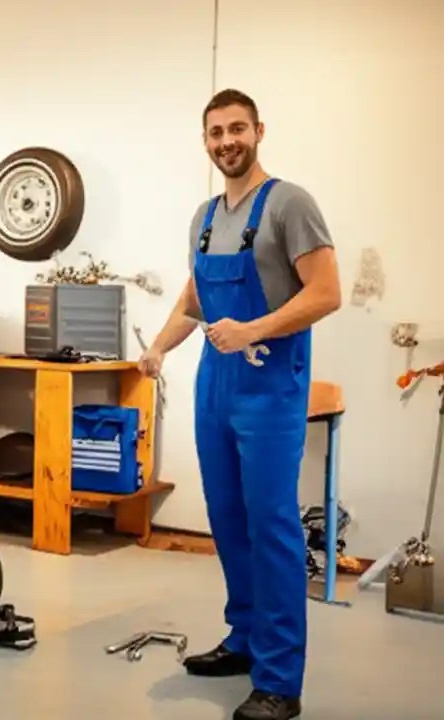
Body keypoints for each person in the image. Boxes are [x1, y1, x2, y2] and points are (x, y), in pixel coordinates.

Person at [139, 89, 342, 720]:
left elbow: (327, 292)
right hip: (215, 383)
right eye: (214, 132)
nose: (226, 141)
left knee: (272, 527)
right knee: (227, 518)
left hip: (270, 382)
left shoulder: (290, 204)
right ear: (205, 141)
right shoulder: (204, 215)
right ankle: (246, 638)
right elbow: (194, 299)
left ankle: (281, 678)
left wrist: (253, 329)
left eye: (236, 129)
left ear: (258, 131)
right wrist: (160, 351)